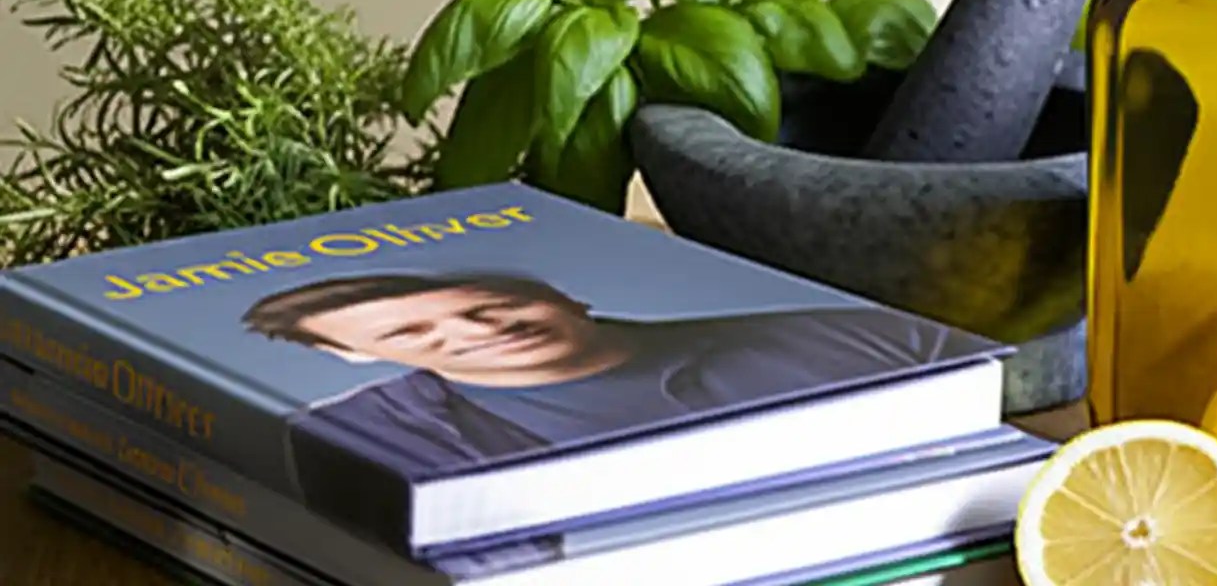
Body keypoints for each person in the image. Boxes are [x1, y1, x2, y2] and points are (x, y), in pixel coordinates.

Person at [241, 272, 990, 574]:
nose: (475, 330)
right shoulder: (377, 443)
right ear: (351, 358)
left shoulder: (873, 338)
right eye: (409, 335)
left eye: (485, 303)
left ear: (562, 294)